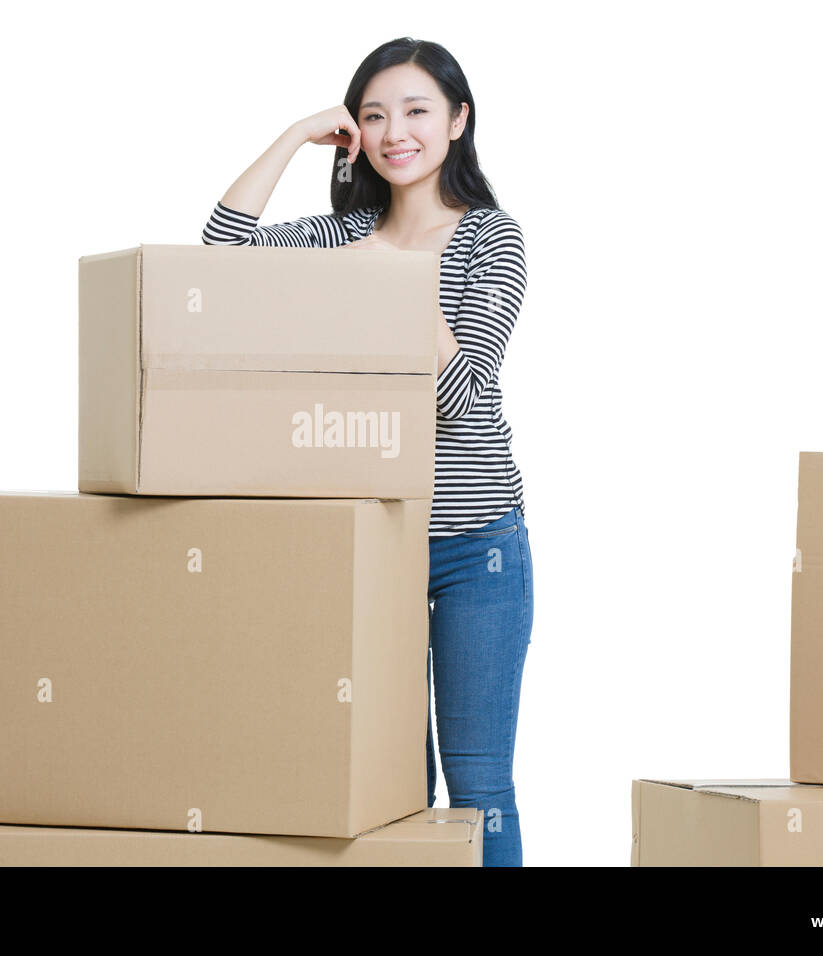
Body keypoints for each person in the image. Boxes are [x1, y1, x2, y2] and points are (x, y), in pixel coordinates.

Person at [201, 37, 533, 867]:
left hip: (476, 547)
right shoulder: (341, 236)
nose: (395, 133)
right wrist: (295, 134)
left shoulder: (491, 239)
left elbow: (461, 402)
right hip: (370, 545)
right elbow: (219, 256)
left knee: (479, 785)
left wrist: (396, 279)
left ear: (457, 121)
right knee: (391, 785)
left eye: (417, 111)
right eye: (375, 115)